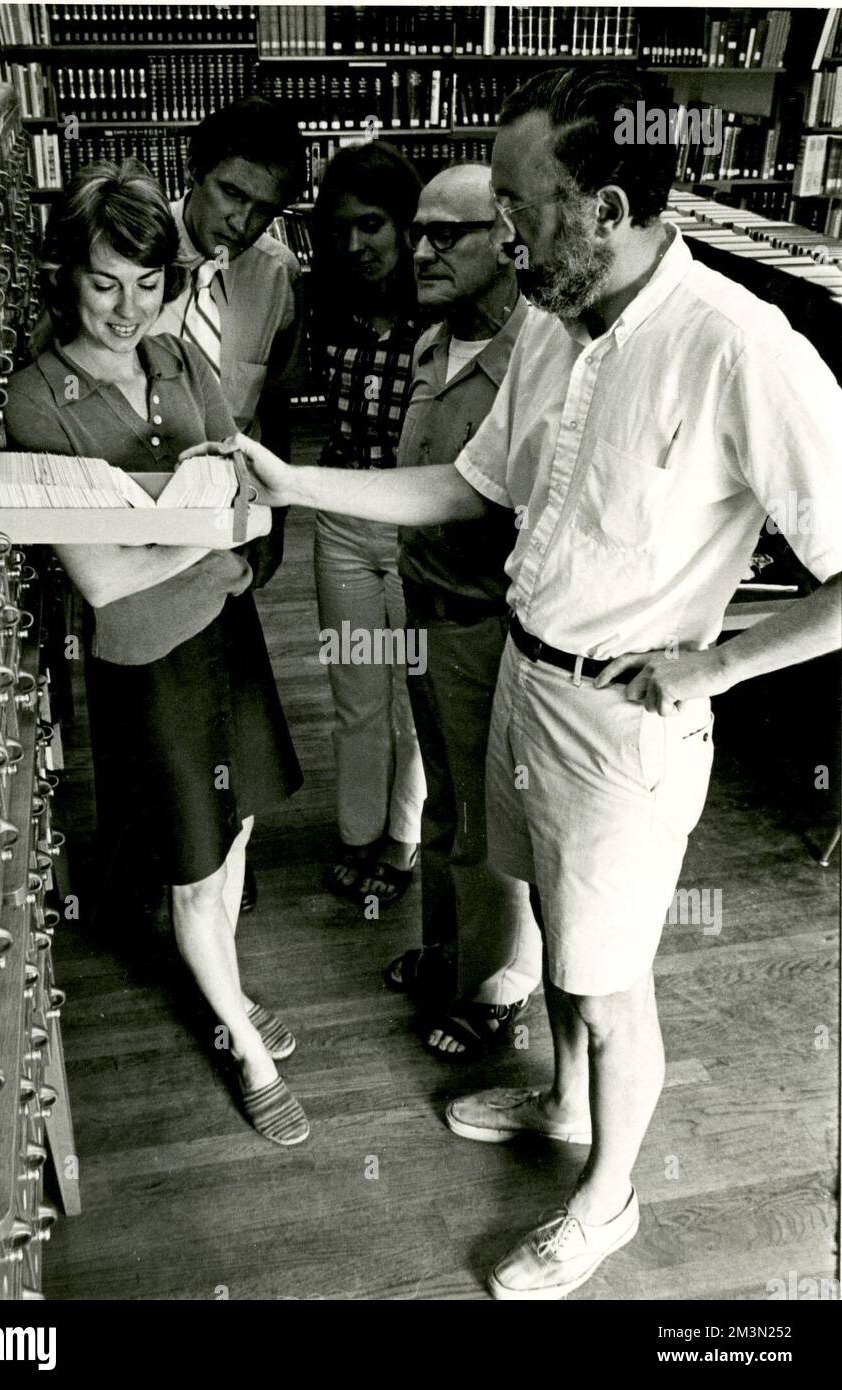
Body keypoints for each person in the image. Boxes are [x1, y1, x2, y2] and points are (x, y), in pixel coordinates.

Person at [206, 67, 842, 1291]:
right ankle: (561, 1104)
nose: (501, 233)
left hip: (624, 723)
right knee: (556, 936)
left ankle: (608, 1201)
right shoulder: (554, 325)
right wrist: (295, 483)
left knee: (611, 987)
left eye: (519, 205)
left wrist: (717, 663)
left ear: (603, 205)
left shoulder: (739, 347)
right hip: (522, 677)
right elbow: (467, 488)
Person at [5, 160, 308, 1148]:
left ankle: (230, 986)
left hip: (227, 631)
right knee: (191, 863)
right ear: (67, 276)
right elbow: (102, 579)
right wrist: (210, 527)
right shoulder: (39, 401)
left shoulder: (180, 363)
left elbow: (244, 485)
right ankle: (244, 1045)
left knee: (235, 837)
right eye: (103, 281)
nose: (127, 307)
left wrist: (219, 521)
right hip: (148, 659)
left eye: (148, 284)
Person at [386, 163, 543, 1058]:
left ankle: (497, 989)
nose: (421, 250)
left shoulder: (537, 357)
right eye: (418, 232)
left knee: (489, 821)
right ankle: (451, 951)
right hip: (422, 605)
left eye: (448, 234)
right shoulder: (432, 340)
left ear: (508, 240)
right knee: (442, 799)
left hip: (484, 622)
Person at [153, 97, 307, 911]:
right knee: (153, 691)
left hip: (226, 511)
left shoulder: (274, 271)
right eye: (228, 194)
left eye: (263, 208)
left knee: (226, 690)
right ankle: (175, 861)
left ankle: (215, 861)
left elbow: (270, 396)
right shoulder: (133, 247)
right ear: (193, 168)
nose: (240, 222)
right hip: (134, 514)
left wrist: (272, 517)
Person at [310, 141, 427, 908]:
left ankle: (404, 837)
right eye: (341, 228)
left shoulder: (444, 310)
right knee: (355, 693)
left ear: (409, 225)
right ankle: (356, 833)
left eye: (374, 225)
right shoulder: (321, 302)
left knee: (418, 702)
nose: (356, 245)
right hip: (345, 523)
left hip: (421, 526)